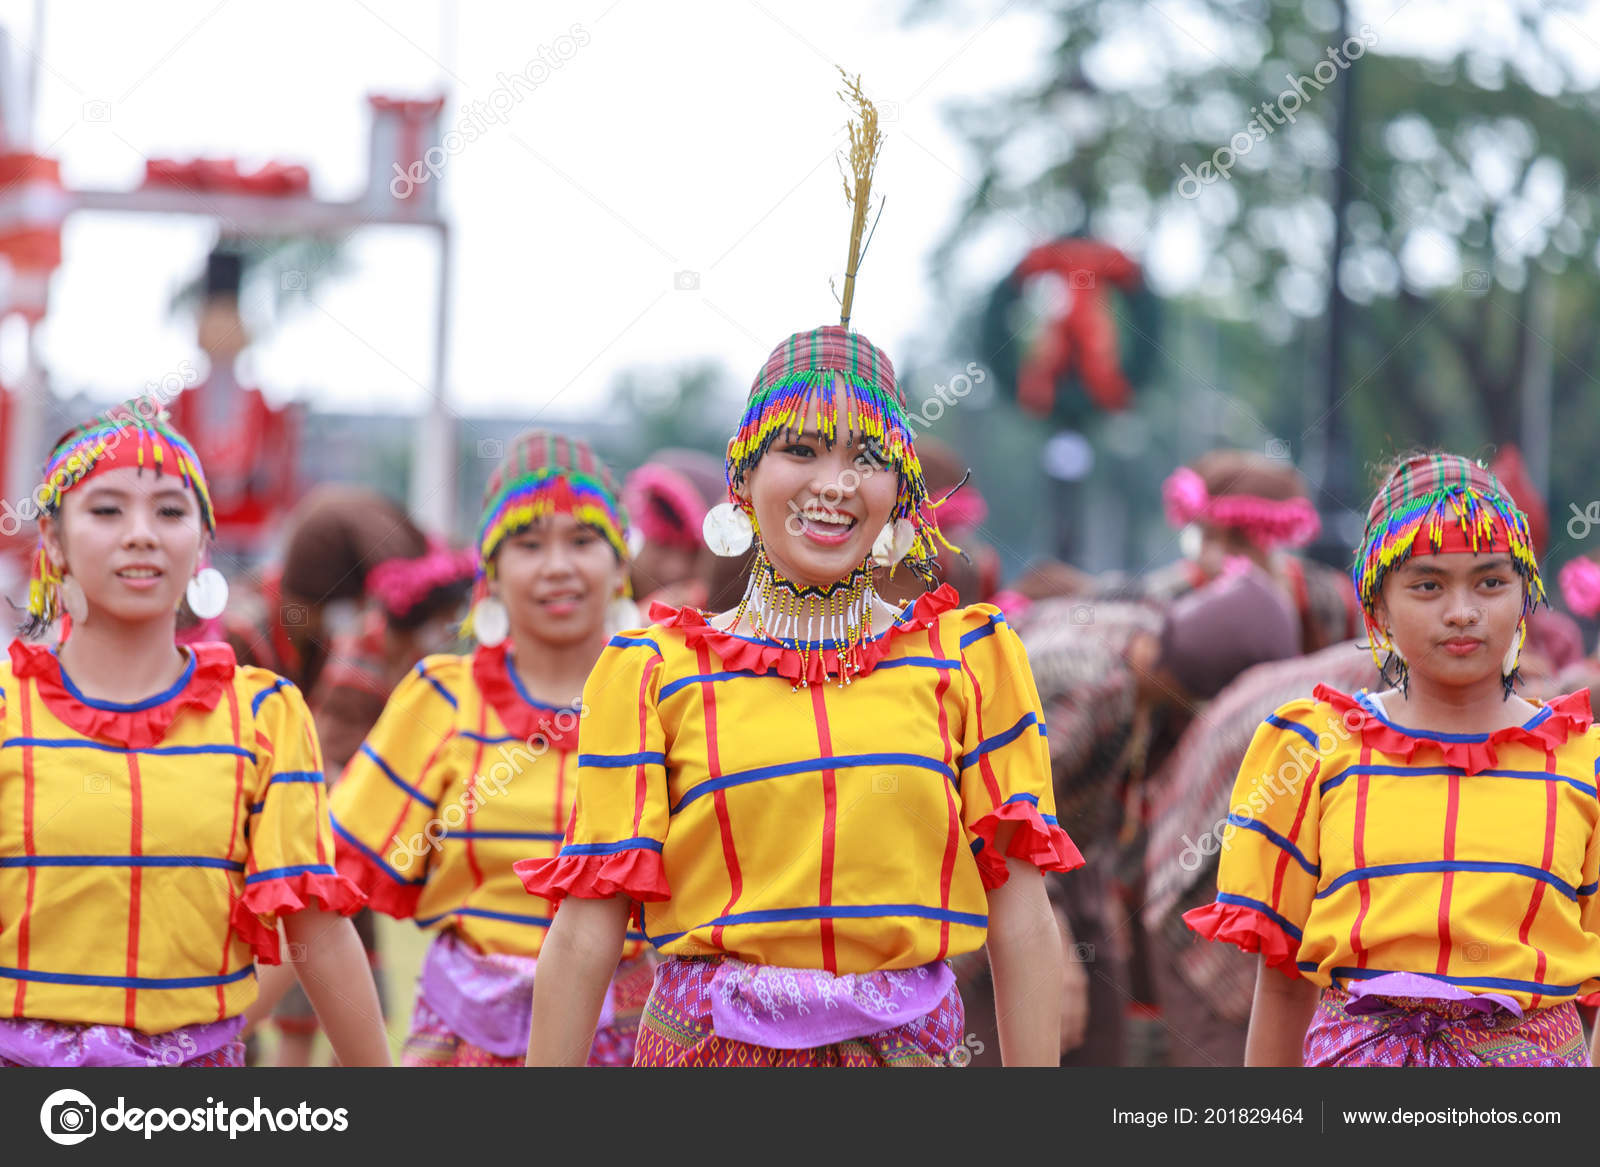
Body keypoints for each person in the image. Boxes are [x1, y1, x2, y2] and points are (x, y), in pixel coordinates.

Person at [520, 325, 1081, 1067]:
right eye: (803, 449)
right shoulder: (653, 671)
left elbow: (1022, 917)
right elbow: (588, 927)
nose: (837, 484)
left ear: (901, 490)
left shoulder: (971, 660)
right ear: (744, 474)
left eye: (868, 457)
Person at [0, 405, 387, 1067]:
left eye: (171, 512)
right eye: (107, 510)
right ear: (54, 541)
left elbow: (317, 935)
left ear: (202, 545)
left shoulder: (264, 715)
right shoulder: (8, 709)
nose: (142, 535)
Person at [1185, 451, 1600, 1067]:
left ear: (1524, 595)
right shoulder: (1312, 752)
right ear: (1377, 605)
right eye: (1428, 584)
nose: (1462, 610)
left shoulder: (1582, 763)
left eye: (1490, 581)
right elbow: (1281, 984)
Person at [328, 430, 654, 1067]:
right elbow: (323, 883)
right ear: (492, 573)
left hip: (634, 1043)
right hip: (463, 1043)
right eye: (529, 545)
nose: (557, 566)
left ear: (620, 565)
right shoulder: (441, 700)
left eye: (583, 541)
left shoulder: (669, 698)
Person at [268, 537, 477, 1065]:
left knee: (354, 1003)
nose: (450, 633)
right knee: (304, 1007)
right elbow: (332, 763)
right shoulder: (361, 664)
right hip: (330, 846)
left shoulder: (397, 657)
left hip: (351, 848)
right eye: (448, 619)